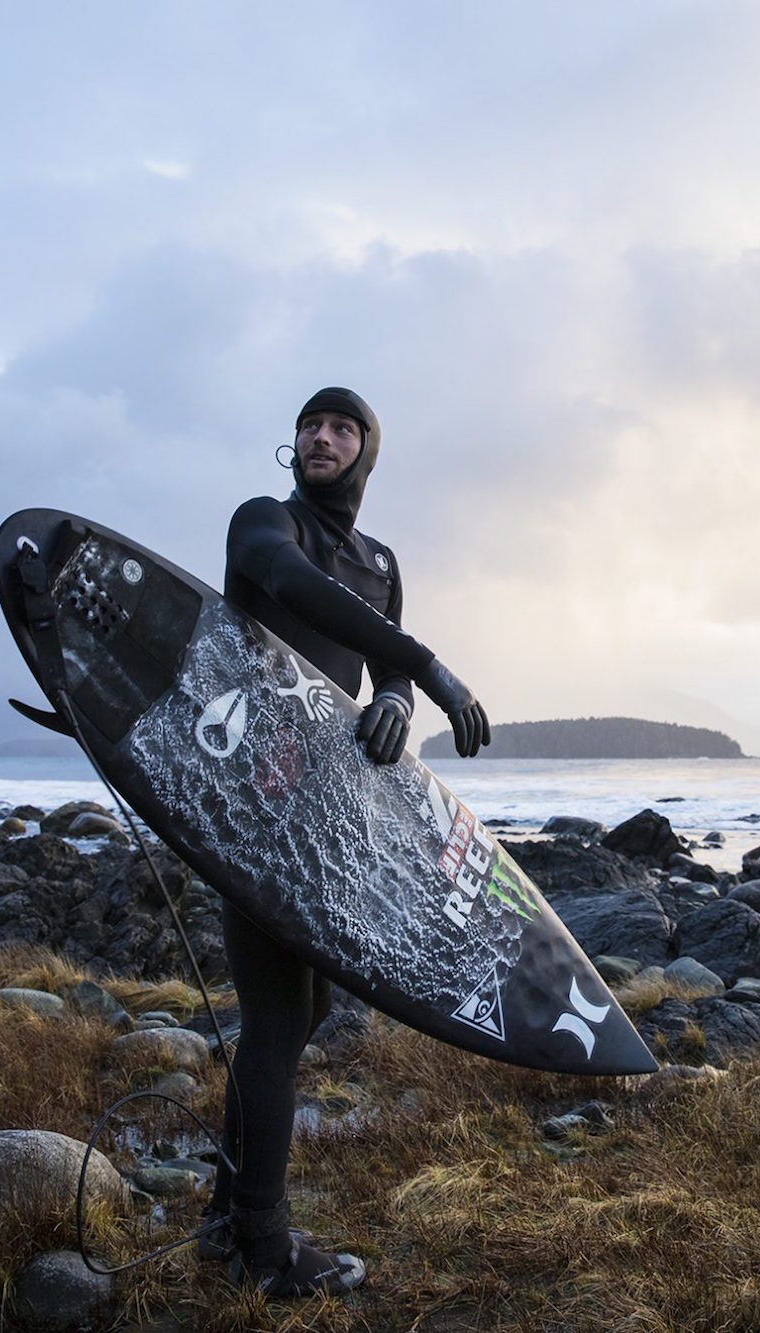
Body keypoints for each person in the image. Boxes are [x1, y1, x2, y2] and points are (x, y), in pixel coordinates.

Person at [201, 386, 490, 1297]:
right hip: (256, 801)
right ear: (292, 444)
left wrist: (396, 704)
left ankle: (224, 1216)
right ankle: (265, 1250)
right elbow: (291, 590)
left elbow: (373, 669)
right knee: (278, 1017)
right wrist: (426, 666)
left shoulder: (381, 561)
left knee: (306, 1013)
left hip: (327, 814)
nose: (321, 436)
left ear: (367, 451)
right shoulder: (264, 523)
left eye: (342, 427)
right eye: (310, 425)